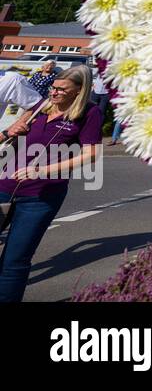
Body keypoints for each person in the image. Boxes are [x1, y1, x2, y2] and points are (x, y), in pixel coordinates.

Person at [0, 66, 102, 301]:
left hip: (41, 196)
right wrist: (10, 131)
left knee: (15, 260)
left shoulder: (89, 113)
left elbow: (92, 155)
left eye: (61, 90)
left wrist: (41, 170)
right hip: (4, 188)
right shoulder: (40, 107)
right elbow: (6, 135)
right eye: (53, 87)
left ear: (78, 91)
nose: (53, 93)